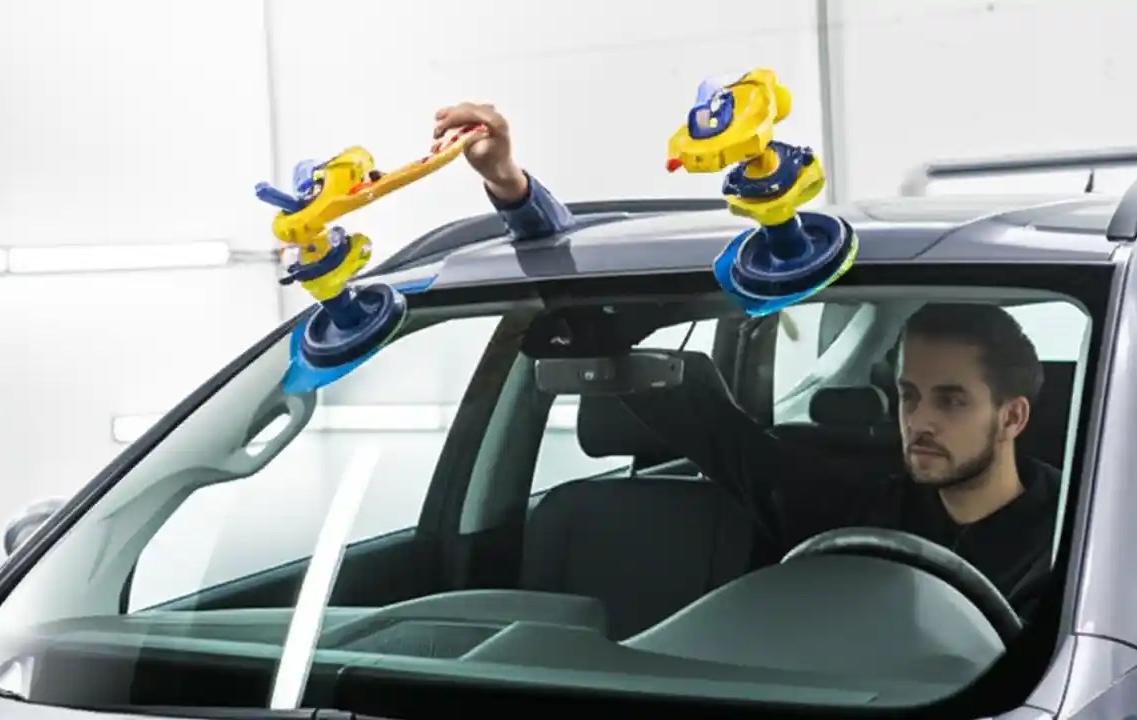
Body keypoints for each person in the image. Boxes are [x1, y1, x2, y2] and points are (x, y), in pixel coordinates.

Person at [433, 102, 1062, 619]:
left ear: (1012, 417)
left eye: (951, 400)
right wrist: (513, 191)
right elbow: (709, 427)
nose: (919, 420)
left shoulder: (1079, 535)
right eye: (908, 394)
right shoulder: (854, 501)